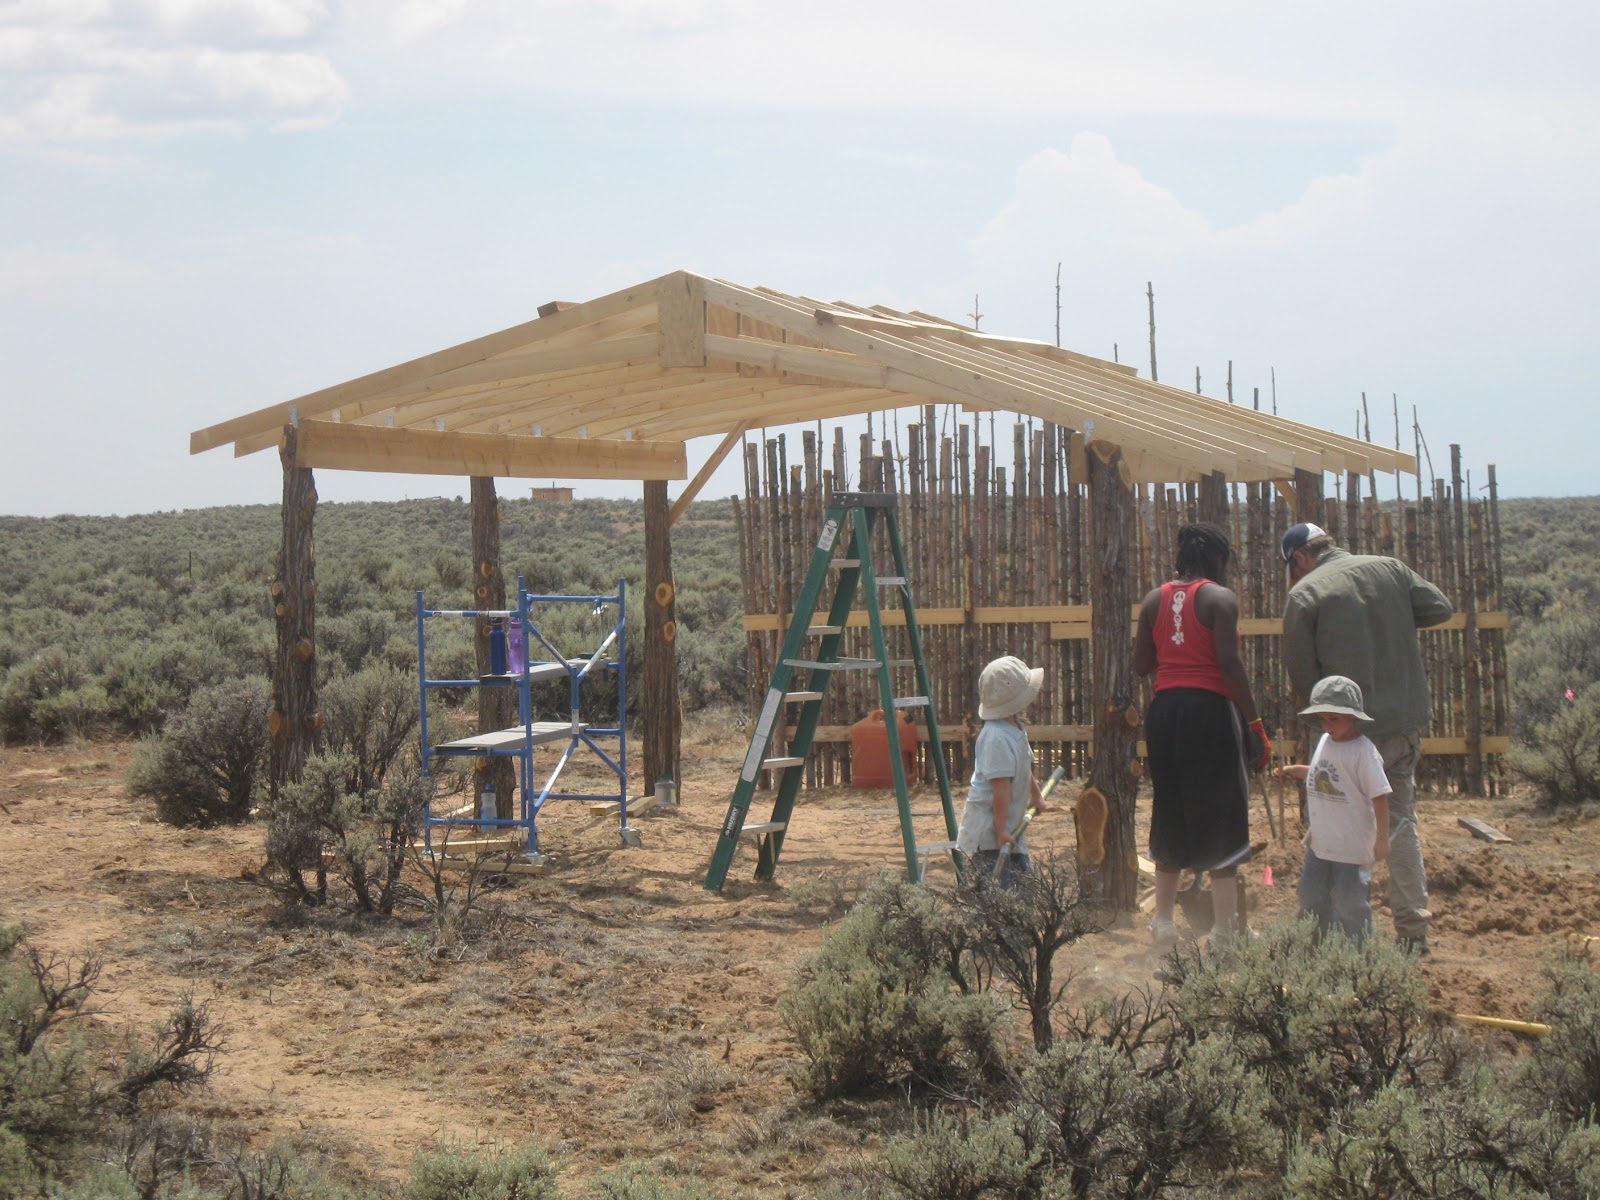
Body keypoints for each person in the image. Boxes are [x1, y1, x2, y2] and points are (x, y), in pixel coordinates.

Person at [1281, 522, 1453, 955]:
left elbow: (1304, 678)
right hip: (1402, 725)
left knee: (1336, 820)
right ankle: (1414, 934)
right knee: (1399, 824)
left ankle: (1339, 932)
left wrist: (1327, 728)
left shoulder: (1306, 594)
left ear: (1299, 558)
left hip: (1347, 732)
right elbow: (1439, 608)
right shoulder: (1390, 569)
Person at [1134, 522, 1272, 947]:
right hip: (1210, 713)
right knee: (1223, 814)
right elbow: (1230, 666)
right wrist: (1255, 725)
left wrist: (1174, 653)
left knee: (1170, 808)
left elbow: (1141, 665)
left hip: (1165, 715)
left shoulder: (1153, 600)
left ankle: (1163, 923)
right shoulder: (1219, 598)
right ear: (1217, 559)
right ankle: (1223, 930)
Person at [1275, 676, 1391, 942]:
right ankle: (1320, 944)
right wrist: (1297, 771)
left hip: (1351, 846)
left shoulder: (1364, 752)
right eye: (1323, 719)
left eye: (1334, 719)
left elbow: (1380, 797)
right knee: (1310, 894)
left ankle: (1358, 951)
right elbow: (1325, 775)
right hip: (1321, 842)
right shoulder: (1326, 742)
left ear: (1352, 717)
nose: (1328, 725)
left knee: (1350, 900)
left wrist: (1382, 839)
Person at [957, 655, 1048, 886]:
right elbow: (1000, 789)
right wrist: (999, 831)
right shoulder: (996, 738)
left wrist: (1035, 794)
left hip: (1009, 828)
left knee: (1022, 889)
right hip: (990, 833)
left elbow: (1023, 767)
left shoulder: (1015, 728)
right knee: (995, 893)